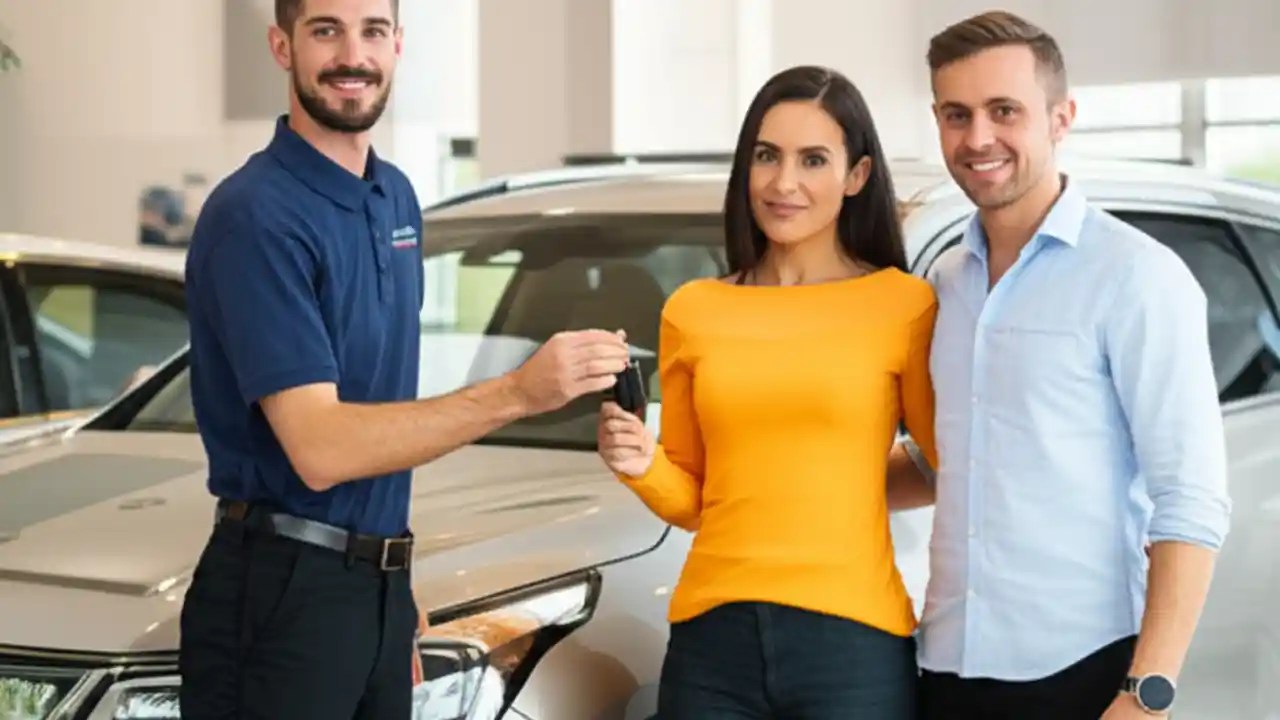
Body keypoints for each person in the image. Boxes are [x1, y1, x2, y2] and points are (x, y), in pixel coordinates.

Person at [178, 0, 630, 718]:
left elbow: (378, 402)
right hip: (280, 591)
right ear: (280, 45)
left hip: (375, 585)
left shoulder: (395, 199)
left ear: (397, 47)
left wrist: (386, 582)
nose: (352, 56)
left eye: (373, 31)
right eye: (325, 30)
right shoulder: (255, 215)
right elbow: (320, 448)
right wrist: (516, 392)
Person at [914, 11, 1232, 720]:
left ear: (1062, 118)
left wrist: (1146, 696)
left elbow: (1191, 499)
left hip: (1084, 675)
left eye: (1005, 111)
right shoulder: (944, 281)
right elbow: (948, 463)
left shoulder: (1137, 276)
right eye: (956, 114)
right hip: (945, 669)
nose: (978, 138)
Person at [596, 65, 940, 719]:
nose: (784, 184)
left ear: (857, 176)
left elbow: (951, 463)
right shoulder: (693, 310)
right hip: (712, 645)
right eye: (767, 156)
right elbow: (696, 498)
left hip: (855, 647)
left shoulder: (902, 306)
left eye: (814, 160)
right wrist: (641, 463)